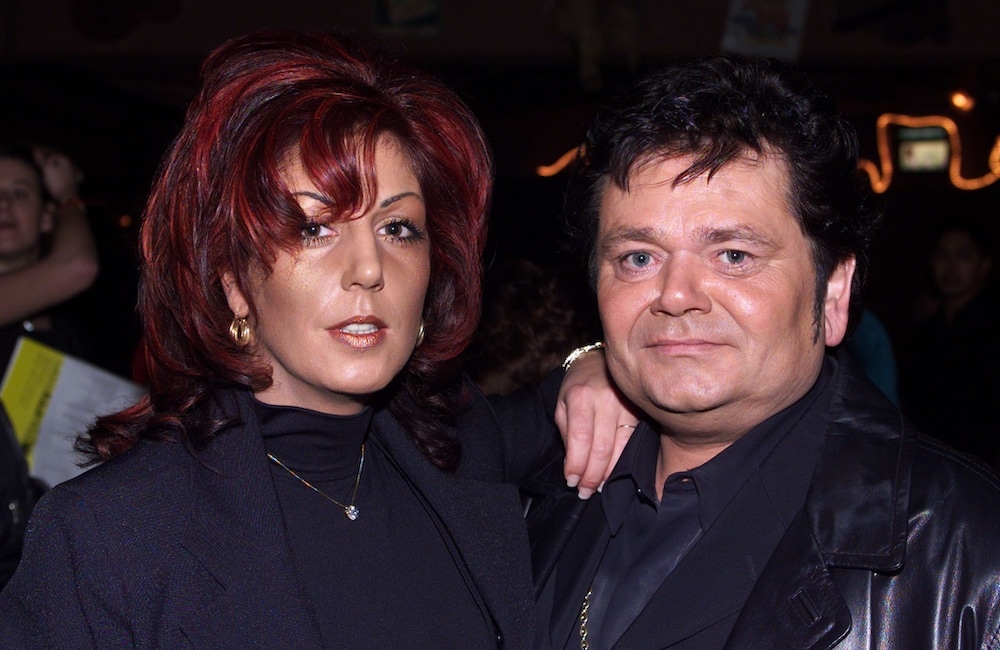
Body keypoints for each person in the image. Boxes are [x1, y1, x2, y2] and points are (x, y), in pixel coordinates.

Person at [0, 31, 631, 648]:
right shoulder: (110, 535)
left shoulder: (460, 448)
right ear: (232, 283)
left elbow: (621, 394)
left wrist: (595, 361)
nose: (369, 268)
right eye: (314, 228)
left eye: (398, 228)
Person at [529, 55, 1000, 648]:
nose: (675, 295)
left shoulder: (967, 555)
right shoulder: (532, 493)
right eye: (638, 258)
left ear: (833, 293)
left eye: (734, 256)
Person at [900, 220, 1000, 466]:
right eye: (942, 255)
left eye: (963, 256)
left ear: (984, 265)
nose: (951, 267)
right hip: (930, 460)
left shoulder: (990, 328)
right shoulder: (927, 330)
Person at [0, 145, 97, 367]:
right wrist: (68, 197)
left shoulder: (75, 323)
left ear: (46, 217)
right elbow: (78, 267)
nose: (3, 204)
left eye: (19, 193)